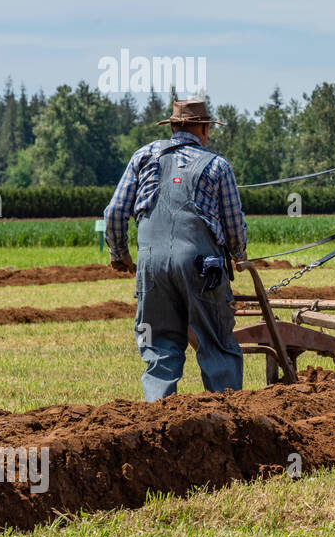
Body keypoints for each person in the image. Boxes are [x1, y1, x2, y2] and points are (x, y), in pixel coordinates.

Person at [104, 99, 247, 399]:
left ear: (172, 127)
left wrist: (120, 255)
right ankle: (229, 415)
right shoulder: (218, 165)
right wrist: (238, 255)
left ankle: (159, 421)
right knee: (217, 343)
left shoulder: (143, 157)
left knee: (159, 347)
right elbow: (234, 226)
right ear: (205, 129)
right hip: (201, 268)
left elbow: (115, 212)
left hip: (150, 266)